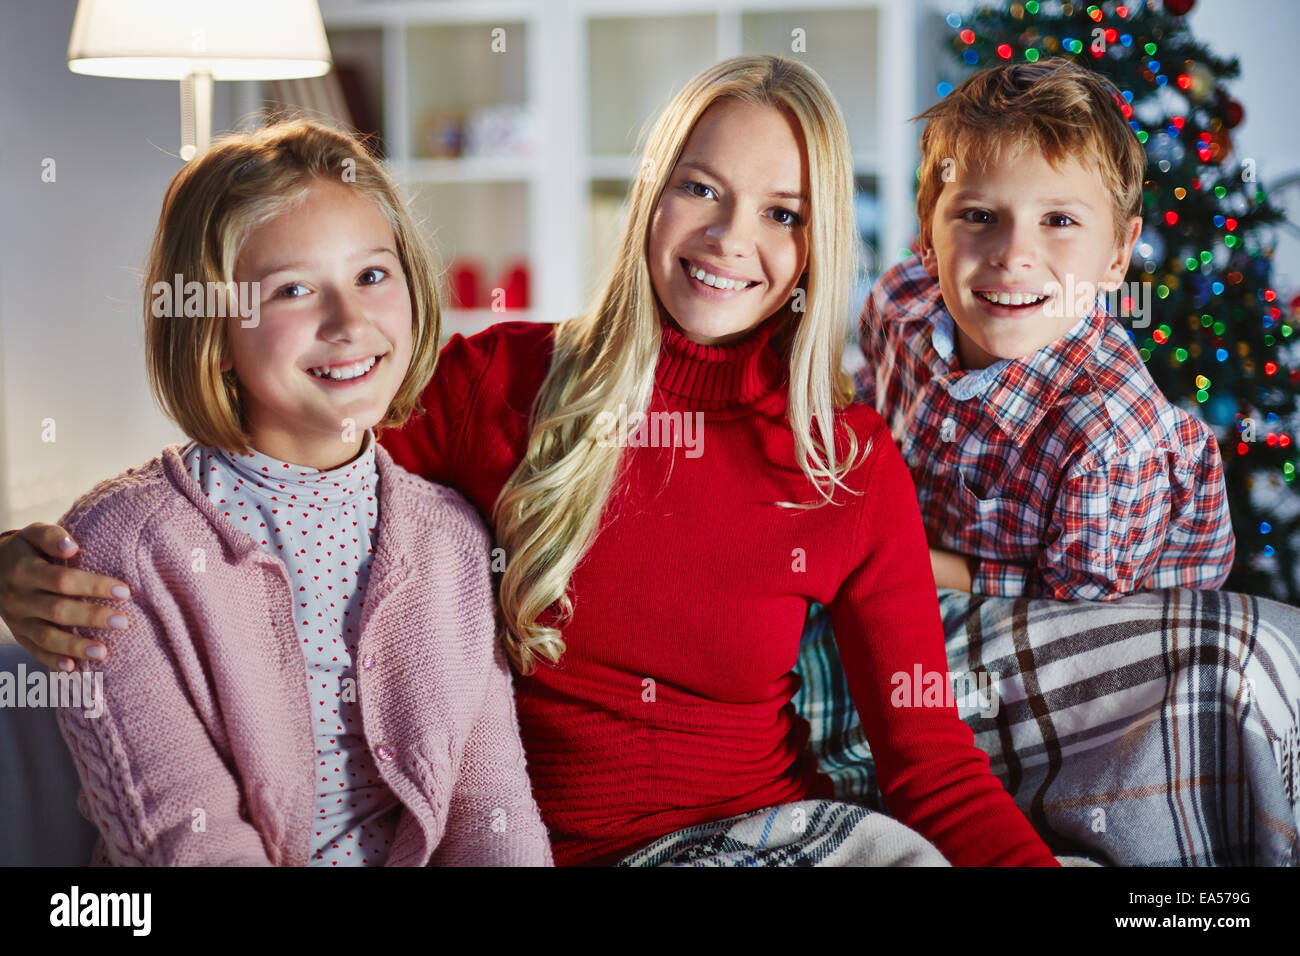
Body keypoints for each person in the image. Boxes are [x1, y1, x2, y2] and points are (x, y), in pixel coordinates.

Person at [0, 58, 1056, 866]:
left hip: (769, 832)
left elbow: (927, 753)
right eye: (700, 188)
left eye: (782, 213)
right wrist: (26, 557)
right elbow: (274, 480)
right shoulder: (495, 383)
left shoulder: (847, 462)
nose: (733, 239)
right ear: (650, 195)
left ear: (816, 245)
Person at [16, 119, 551, 866]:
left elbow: (493, 816)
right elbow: (186, 841)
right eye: (293, 290)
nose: (350, 322)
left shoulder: (453, 538)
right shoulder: (123, 551)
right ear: (212, 332)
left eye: (371, 275)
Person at [856, 59, 1235, 599]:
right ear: (928, 238)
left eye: (1059, 221)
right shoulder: (900, 301)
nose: (1013, 256)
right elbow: (866, 403)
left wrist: (894, 556)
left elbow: (1077, 619)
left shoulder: (1113, 445)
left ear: (1119, 254)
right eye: (980, 215)